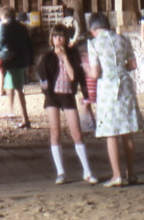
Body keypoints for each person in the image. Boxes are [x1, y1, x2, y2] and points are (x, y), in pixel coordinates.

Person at [37, 23, 98, 184]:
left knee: (76, 133)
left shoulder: (72, 54)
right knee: (55, 131)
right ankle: (61, 172)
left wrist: (64, 58)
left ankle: (87, 171)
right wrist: (47, 93)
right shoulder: (47, 57)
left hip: (68, 96)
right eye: (55, 36)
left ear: (66, 38)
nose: (58, 40)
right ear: (51, 39)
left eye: (61, 36)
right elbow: (43, 79)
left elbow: (74, 77)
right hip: (53, 97)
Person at [87, 11, 143, 187]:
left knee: (111, 133)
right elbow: (132, 65)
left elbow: (95, 73)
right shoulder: (123, 39)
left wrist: (85, 69)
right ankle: (132, 173)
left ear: (94, 29)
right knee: (127, 132)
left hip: (108, 89)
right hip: (125, 85)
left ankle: (117, 175)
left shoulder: (94, 44)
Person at [0, 6, 34, 128]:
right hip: (21, 60)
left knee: (17, 90)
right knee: (11, 87)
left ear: (4, 16)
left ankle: (25, 119)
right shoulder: (22, 27)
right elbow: (29, 45)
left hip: (11, 61)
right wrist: (30, 62)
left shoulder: (5, 27)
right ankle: (12, 111)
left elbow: (2, 43)